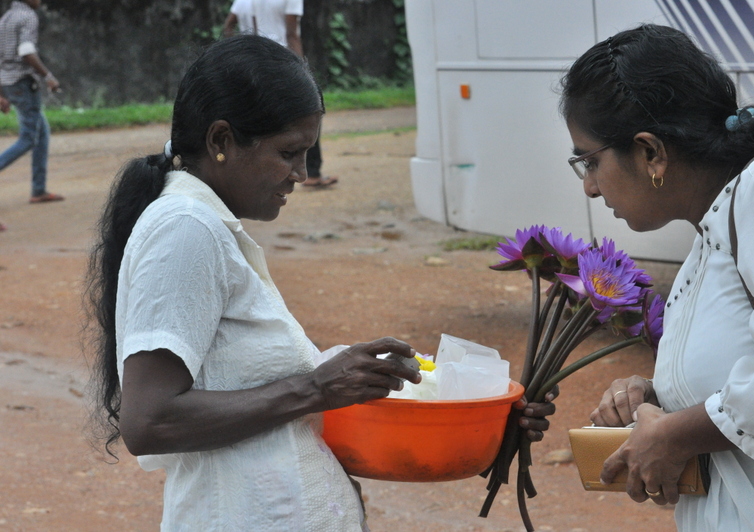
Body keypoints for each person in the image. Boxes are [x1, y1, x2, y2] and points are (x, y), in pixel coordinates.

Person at [85, 35, 551, 531]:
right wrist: (314, 387)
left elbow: (266, 400)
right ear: (221, 141)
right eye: (289, 153)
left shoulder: (207, 224)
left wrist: (478, 419)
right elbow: (149, 420)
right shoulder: (186, 228)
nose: (302, 174)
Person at [560, 24, 754, 531]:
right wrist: (653, 396)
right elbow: (748, 368)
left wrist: (674, 435)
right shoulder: (708, 239)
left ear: (651, 152)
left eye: (590, 161)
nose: (590, 187)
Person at [223, 0, 338, 188]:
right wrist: (303, 73)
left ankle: (246, 172)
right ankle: (312, 172)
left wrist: (239, 52)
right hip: (279, 65)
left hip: (250, 66)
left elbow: (229, 26)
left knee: (255, 121)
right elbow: (292, 35)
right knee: (310, 110)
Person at [0, 0, 62, 205]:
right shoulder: (27, 16)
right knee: (28, 138)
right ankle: (38, 188)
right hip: (23, 84)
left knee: (41, 133)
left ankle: (38, 189)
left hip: (10, 83)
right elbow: (26, 51)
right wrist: (48, 76)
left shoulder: (7, 17)